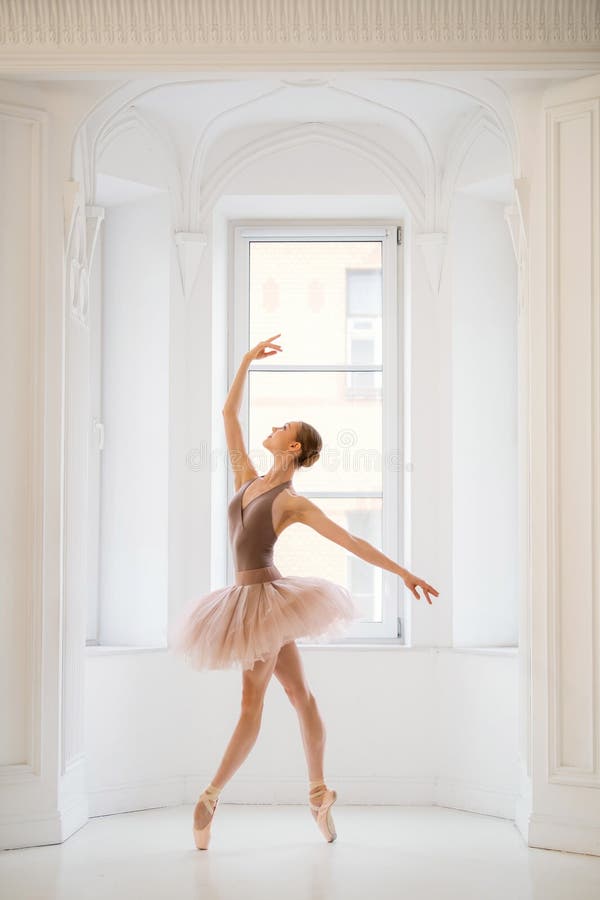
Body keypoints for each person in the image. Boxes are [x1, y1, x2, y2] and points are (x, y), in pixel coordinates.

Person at [168, 333, 440, 849]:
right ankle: (318, 794)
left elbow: (352, 539)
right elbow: (228, 415)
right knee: (299, 694)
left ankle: (208, 798)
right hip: (251, 602)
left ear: (293, 447)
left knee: (255, 703)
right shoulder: (247, 477)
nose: (270, 429)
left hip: (264, 599)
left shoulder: (292, 501)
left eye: (281, 428)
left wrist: (403, 573)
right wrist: (247, 361)